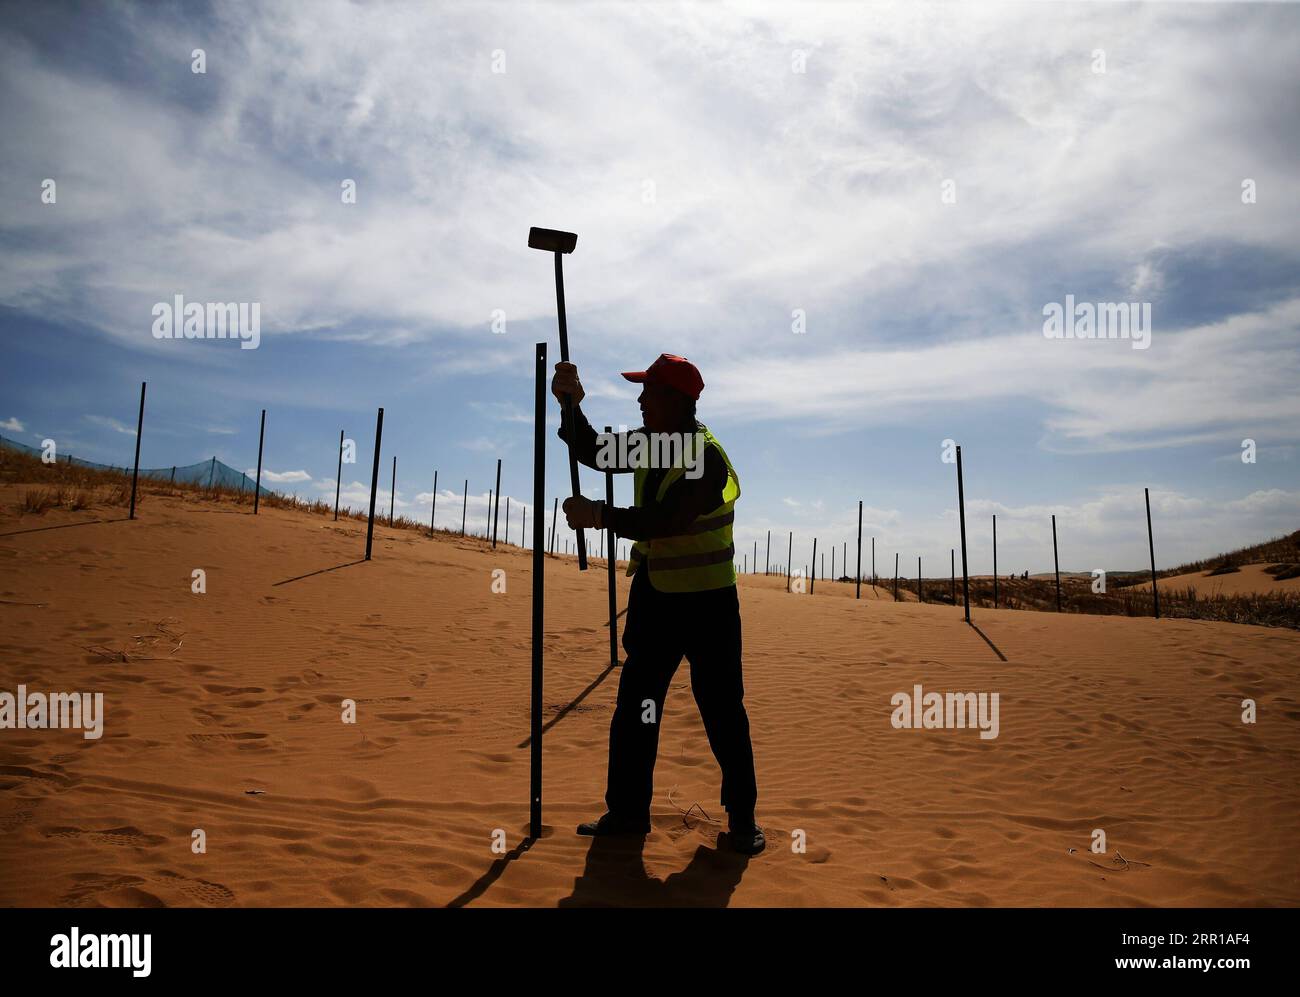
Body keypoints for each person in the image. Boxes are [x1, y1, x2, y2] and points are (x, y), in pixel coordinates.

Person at [552, 353, 763, 855]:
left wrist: (598, 515)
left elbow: (668, 520)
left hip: (709, 606)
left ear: (677, 401)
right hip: (657, 599)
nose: (640, 400)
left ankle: (742, 821)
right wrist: (570, 404)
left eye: (649, 392)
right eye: (640, 391)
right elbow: (593, 450)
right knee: (636, 709)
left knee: (721, 711)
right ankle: (627, 813)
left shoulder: (704, 456)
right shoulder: (654, 442)